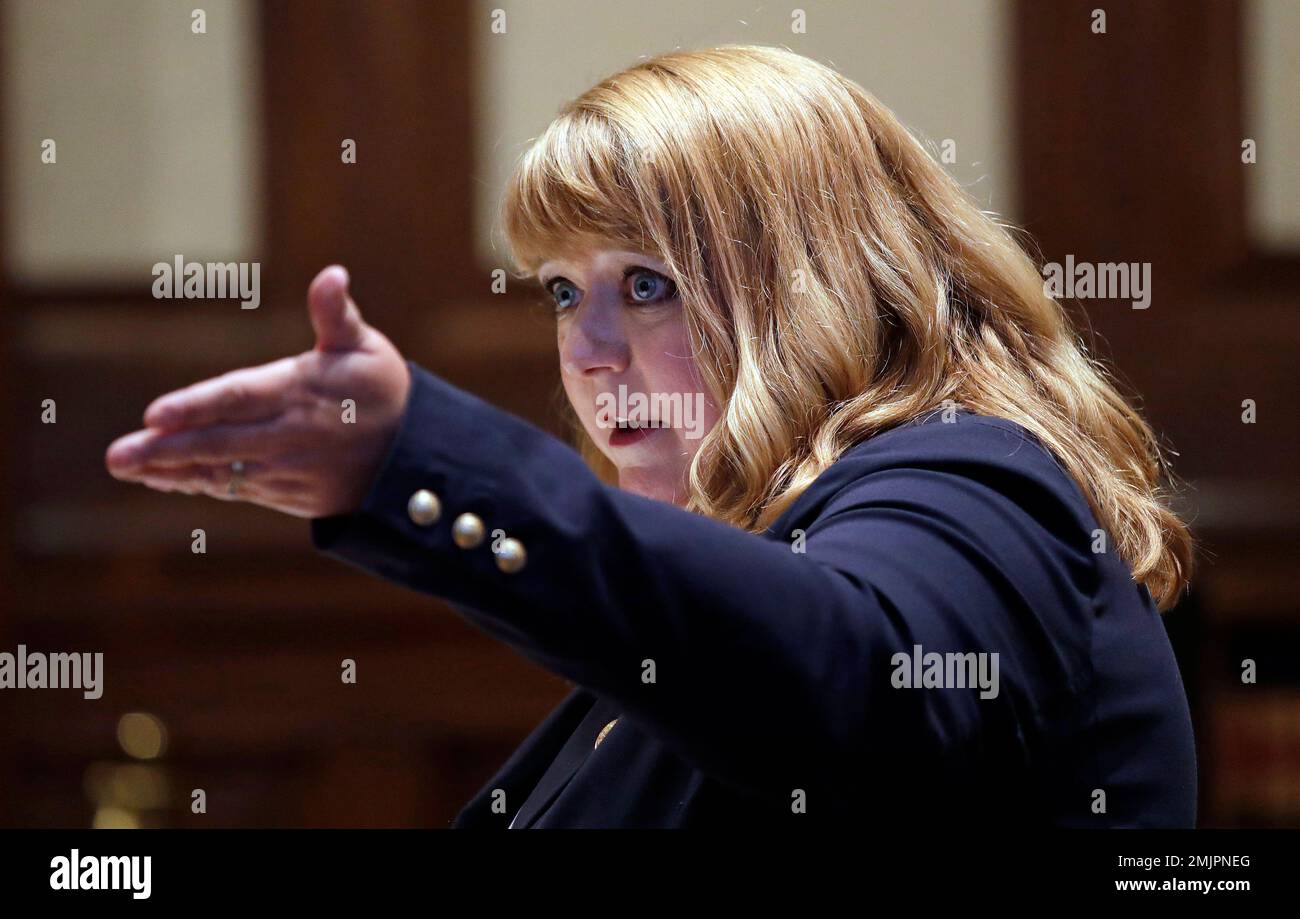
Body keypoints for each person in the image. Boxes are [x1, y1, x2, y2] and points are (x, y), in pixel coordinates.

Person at [105, 45, 1197, 828]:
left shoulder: (971, 472)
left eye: (645, 284)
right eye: (560, 293)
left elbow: (858, 681)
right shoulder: (735, 582)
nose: (587, 350)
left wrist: (418, 464)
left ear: (808, 288)